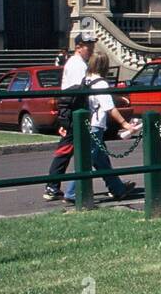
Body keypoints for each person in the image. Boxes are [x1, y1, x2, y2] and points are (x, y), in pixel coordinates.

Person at [64, 50, 140, 205]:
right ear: (105, 66)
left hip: (85, 125)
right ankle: (71, 193)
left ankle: (117, 188)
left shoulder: (86, 80)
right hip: (95, 126)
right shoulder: (101, 83)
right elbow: (109, 108)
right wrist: (125, 124)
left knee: (101, 160)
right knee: (86, 161)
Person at [43, 32, 95, 201]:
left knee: (75, 150)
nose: (92, 49)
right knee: (67, 150)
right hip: (73, 112)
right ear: (78, 47)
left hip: (72, 111)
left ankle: (55, 186)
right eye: (89, 47)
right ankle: (54, 186)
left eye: (93, 46)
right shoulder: (77, 64)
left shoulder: (79, 63)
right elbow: (80, 89)